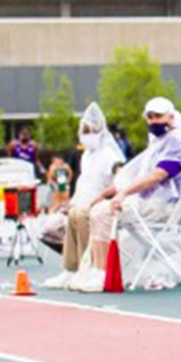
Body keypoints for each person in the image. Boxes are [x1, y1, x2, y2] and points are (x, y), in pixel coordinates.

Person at [69, 98, 181, 290]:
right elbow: (131, 176)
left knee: (103, 213)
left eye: (158, 116)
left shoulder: (178, 144)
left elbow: (157, 176)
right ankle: (95, 270)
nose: (153, 121)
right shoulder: (158, 144)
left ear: (171, 117)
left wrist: (123, 194)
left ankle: (103, 273)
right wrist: (104, 195)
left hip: (163, 206)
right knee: (96, 210)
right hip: (148, 203)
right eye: (150, 117)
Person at [41, 104, 126, 289]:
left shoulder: (109, 155)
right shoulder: (86, 156)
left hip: (104, 204)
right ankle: (71, 268)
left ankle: (88, 267)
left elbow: (119, 182)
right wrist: (71, 202)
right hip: (84, 202)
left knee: (81, 215)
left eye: (91, 131)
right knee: (71, 214)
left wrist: (101, 198)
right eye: (84, 131)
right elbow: (84, 183)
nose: (87, 136)